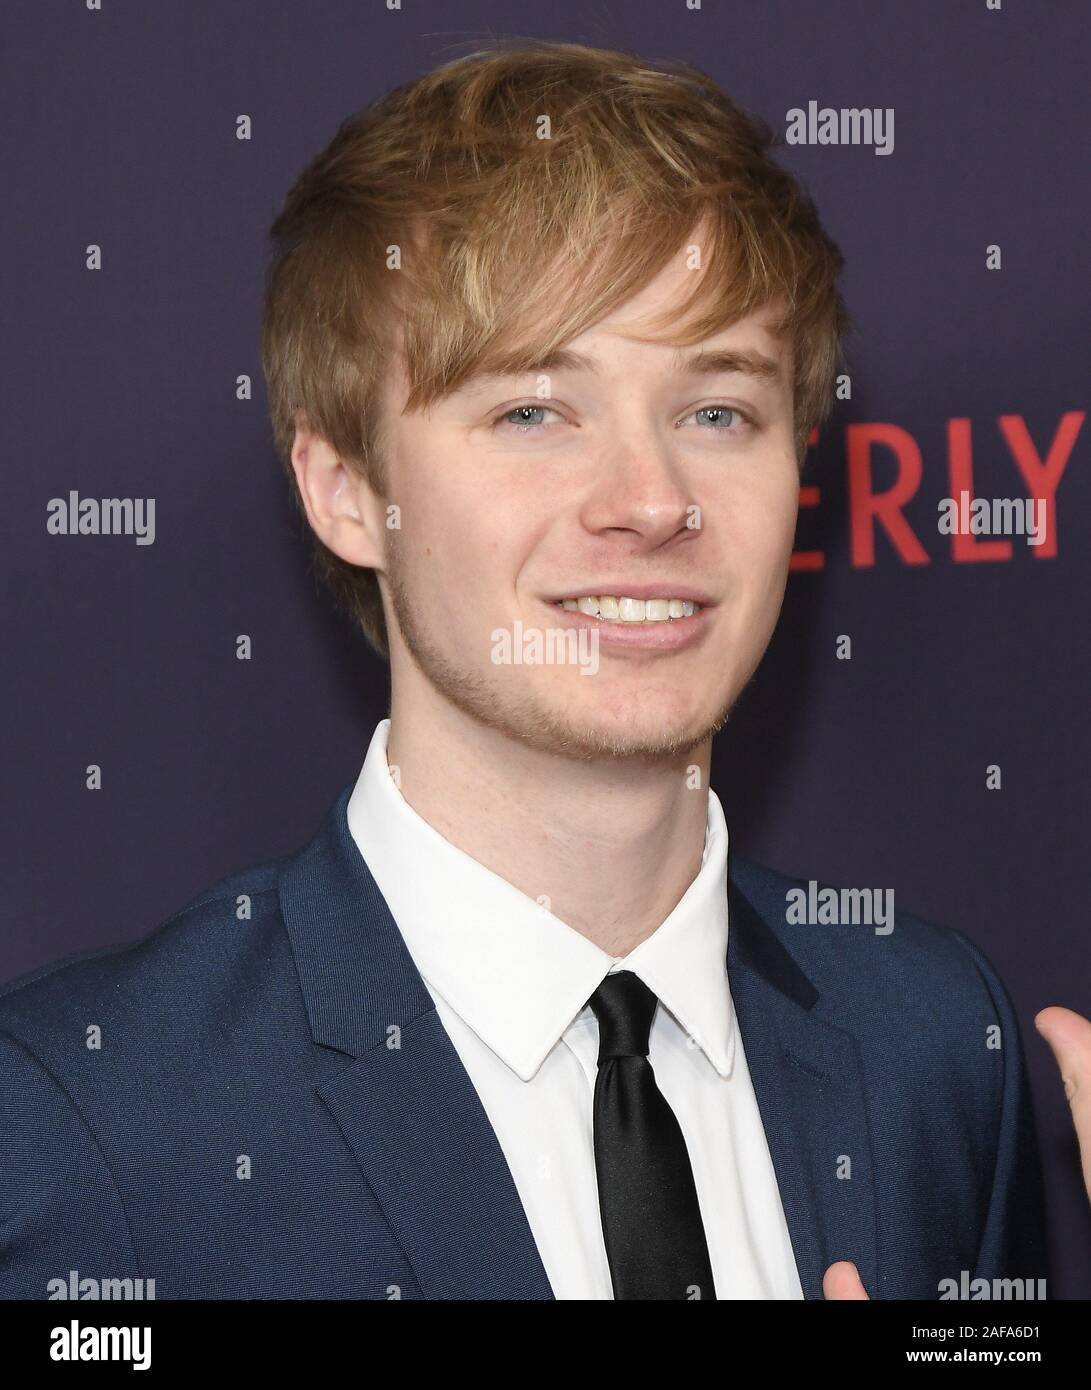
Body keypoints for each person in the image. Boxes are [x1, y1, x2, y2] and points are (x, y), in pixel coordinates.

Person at [0, 39, 1055, 1300]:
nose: (651, 501)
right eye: (532, 412)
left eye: (716, 409)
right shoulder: (85, 1121)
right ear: (346, 489)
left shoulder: (937, 1040)